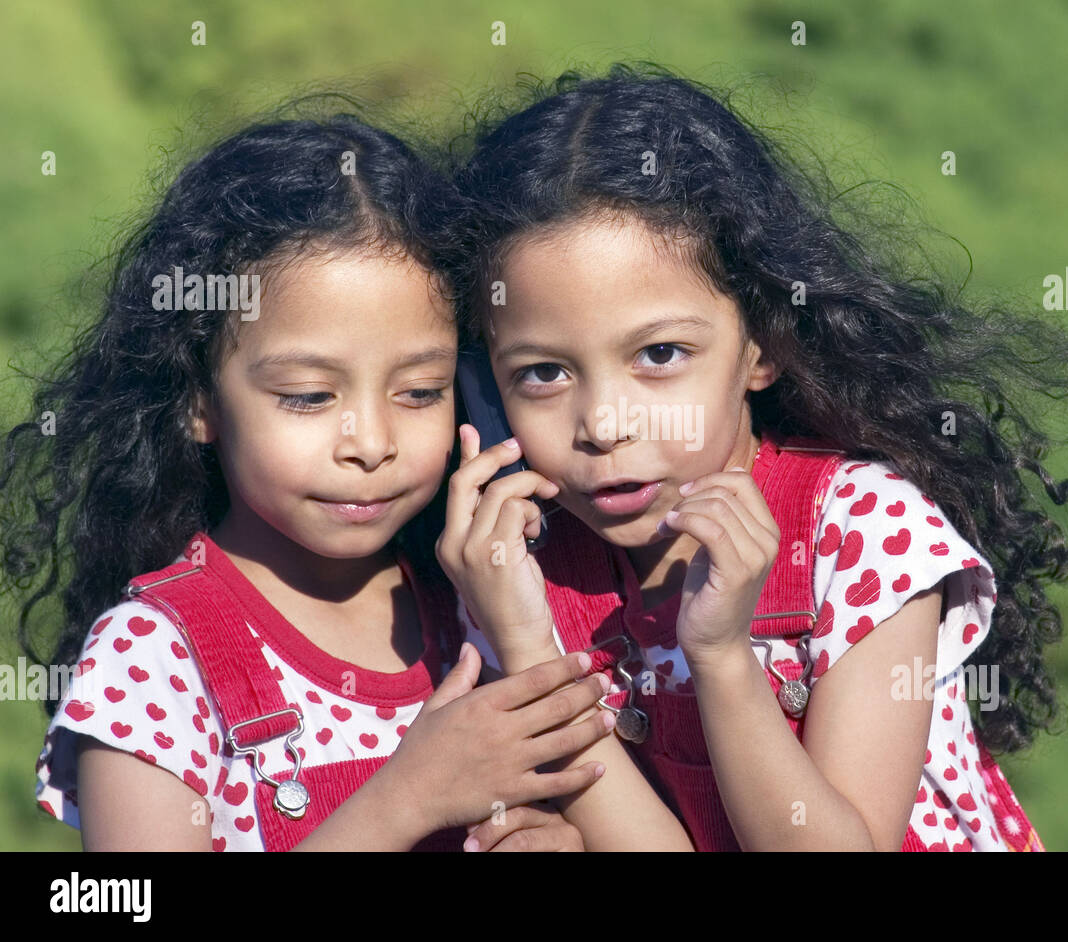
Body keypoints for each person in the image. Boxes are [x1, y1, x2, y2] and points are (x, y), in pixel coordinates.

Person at [438, 66, 1068, 851]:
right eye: (543, 373)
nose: (602, 424)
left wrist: (720, 658)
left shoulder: (862, 530)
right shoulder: (516, 570)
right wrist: (521, 636)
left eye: (659, 353)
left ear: (761, 345)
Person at [5, 111, 614, 851]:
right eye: (307, 396)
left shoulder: (484, 604)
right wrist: (403, 803)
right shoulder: (152, 661)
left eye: (420, 391)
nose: (371, 444)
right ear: (199, 400)